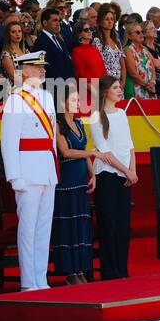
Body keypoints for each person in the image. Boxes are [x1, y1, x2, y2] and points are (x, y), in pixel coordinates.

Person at [0, 51, 59, 292]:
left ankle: (40, 278)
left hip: (46, 168)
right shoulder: (15, 100)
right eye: (37, 67)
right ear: (24, 71)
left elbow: (52, 138)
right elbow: (9, 141)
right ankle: (28, 282)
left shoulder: (47, 97)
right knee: (28, 228)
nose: (43, 70)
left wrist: (53, 169)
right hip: (27, 171)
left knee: (44, 227)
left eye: (43, 66)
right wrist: (14, 176)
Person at [87, 75, 135, 281]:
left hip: (125, 175)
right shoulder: (96, 116)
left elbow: (130, 145)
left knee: (123, 225)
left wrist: (132, 171)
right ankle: (110, 272)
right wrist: (127, 170)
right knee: (109, 224)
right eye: (115, 87)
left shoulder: (122, 113)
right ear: (105, 91)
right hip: (107, 176)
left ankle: (122, 270)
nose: (119, 90)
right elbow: (105, 152)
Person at [53, 87, 99, 284]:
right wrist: (92, 153)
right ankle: (70, 272)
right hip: (67, 182)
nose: (78, 103)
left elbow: (83, 151)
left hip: (81, 181)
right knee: (68, 227)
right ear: (63, 103)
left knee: (81, 226)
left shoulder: (79, 124)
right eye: (74, 100)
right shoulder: (58, 124)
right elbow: (66, 152)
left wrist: (93, 175)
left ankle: (81, 269)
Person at [121, 21, 156, 101]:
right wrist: (147, 85)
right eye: (137, 32)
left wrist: (152, 82)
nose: (141, 34)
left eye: (142, 32)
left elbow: (153, 68)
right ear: (129, 36)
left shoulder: (145, 49)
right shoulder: (127, 50)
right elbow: (133, 73)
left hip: (149, 88)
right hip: (135, 88)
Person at [93, 4, 124, 82]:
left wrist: (123, 82)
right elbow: (98, 65)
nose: (110, 21)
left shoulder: (116, 40)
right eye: (106, 19)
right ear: (100, 22)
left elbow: (122, 64)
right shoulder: (97, 41)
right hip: (106, 83)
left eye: (112, 19)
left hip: (119, 83)